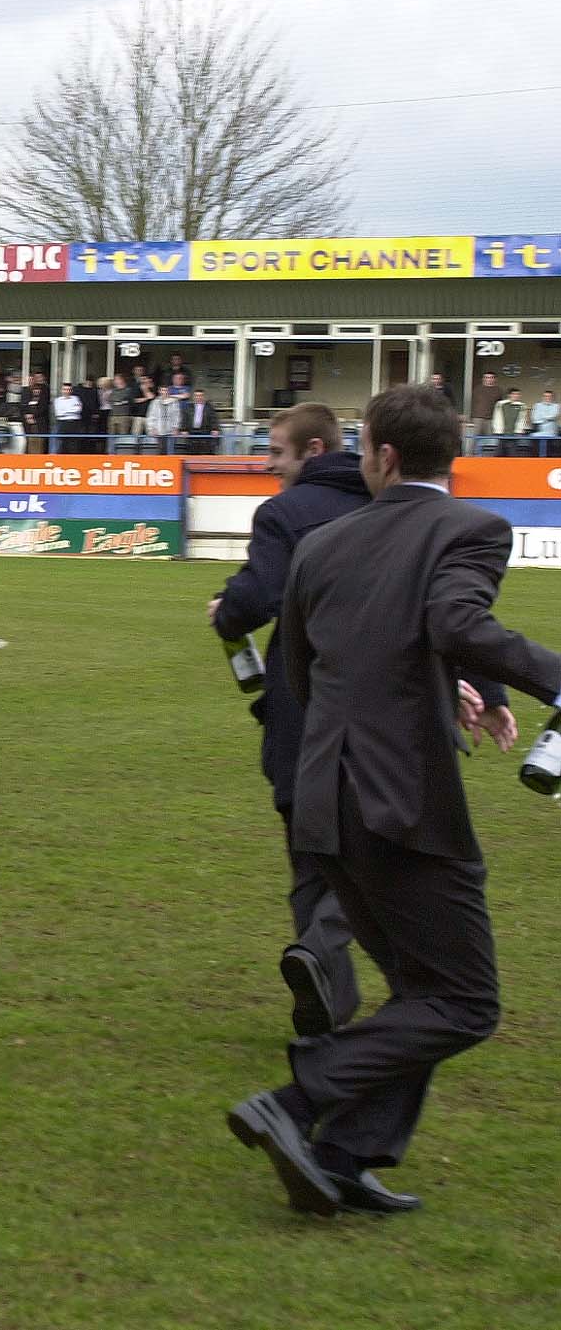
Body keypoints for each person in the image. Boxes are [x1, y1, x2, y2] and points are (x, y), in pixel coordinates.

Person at [228, 384, 560, 1217]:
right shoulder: (471, 527)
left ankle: (341, 1157)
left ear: (378, 455)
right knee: (463, 1000)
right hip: (399, 797)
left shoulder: (323, 543)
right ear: (454, 454)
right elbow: (453, 623)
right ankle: (300, 1100)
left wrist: (422, 682)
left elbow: (298, 673)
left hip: (321, 795)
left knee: (422, 987)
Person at [208, 404, 372, 1040]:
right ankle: (324, 996)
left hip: (305, 712)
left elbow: (258, 597)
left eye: (275, 453)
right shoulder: (388, 506)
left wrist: (227, 611)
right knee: (372, 846)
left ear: (310, 449)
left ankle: (323, 963)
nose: (269, 465)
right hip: (390, 715)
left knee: (317, 860)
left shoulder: (287, 513)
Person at [51, 382, 82, 453]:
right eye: (65, 389)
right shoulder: (58, 400)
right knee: (62, 443)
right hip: (62, 423)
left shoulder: (76, 398)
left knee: (73, 443)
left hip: (74, 423)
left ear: (71, 391)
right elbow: (58, 413)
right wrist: (71, 410)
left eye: (68, 390)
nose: (66, 391)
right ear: (62, 390)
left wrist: (65, 411)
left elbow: (78, 410)